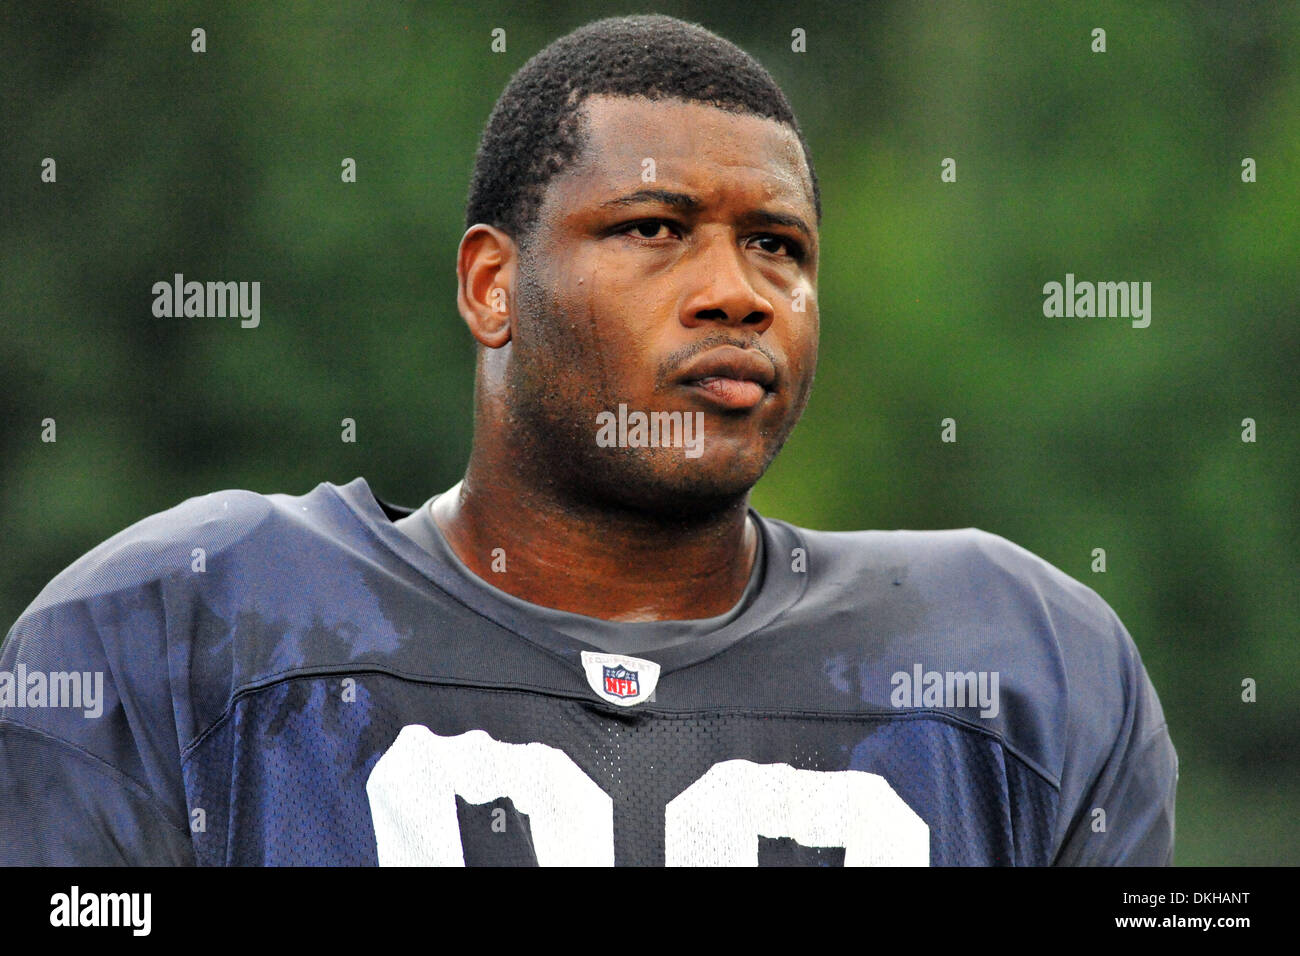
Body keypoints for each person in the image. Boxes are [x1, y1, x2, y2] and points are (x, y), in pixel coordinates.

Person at [0, 14, 1175, 865]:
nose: (738, 292)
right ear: (491, 286)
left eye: (779, 245)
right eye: (656, 228)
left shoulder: (1022, 666)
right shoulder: (190, 626)